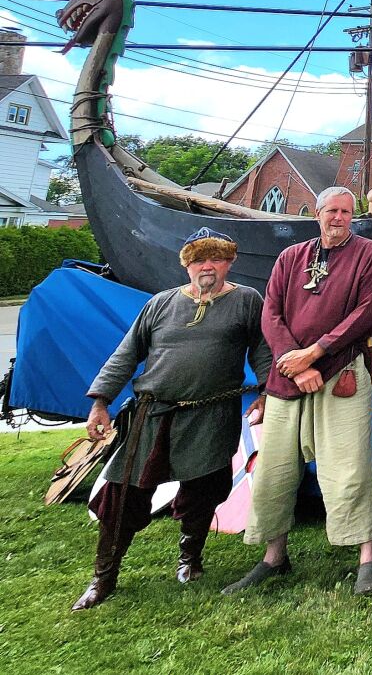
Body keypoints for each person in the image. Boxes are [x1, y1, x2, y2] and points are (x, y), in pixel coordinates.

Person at [74, 228, 270, 610]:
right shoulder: (161, 303)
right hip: (153, 413)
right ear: (187, 266)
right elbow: (126, 353)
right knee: (124, 493)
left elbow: (263, 350)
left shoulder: (247, 301)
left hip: (211, 414)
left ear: (229, 262)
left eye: (215, 258)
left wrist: (265, 394)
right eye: (198, 259)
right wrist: (100, 401)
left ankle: (189, 558)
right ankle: (103, 577)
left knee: (204, 491)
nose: (207, 266)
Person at [225, 187, 372, 596]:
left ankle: (368, 556)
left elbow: (368, 310)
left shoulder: (369, 253)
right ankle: (273, 556)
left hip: (342, 373)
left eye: (347, 211)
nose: (339, 217)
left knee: (350, 467)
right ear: (317, 214)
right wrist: (294, 363)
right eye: (332, 210)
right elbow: (271, 312)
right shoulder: (290, 257)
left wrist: (317, 352)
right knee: (274, 471)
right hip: (289, 378)